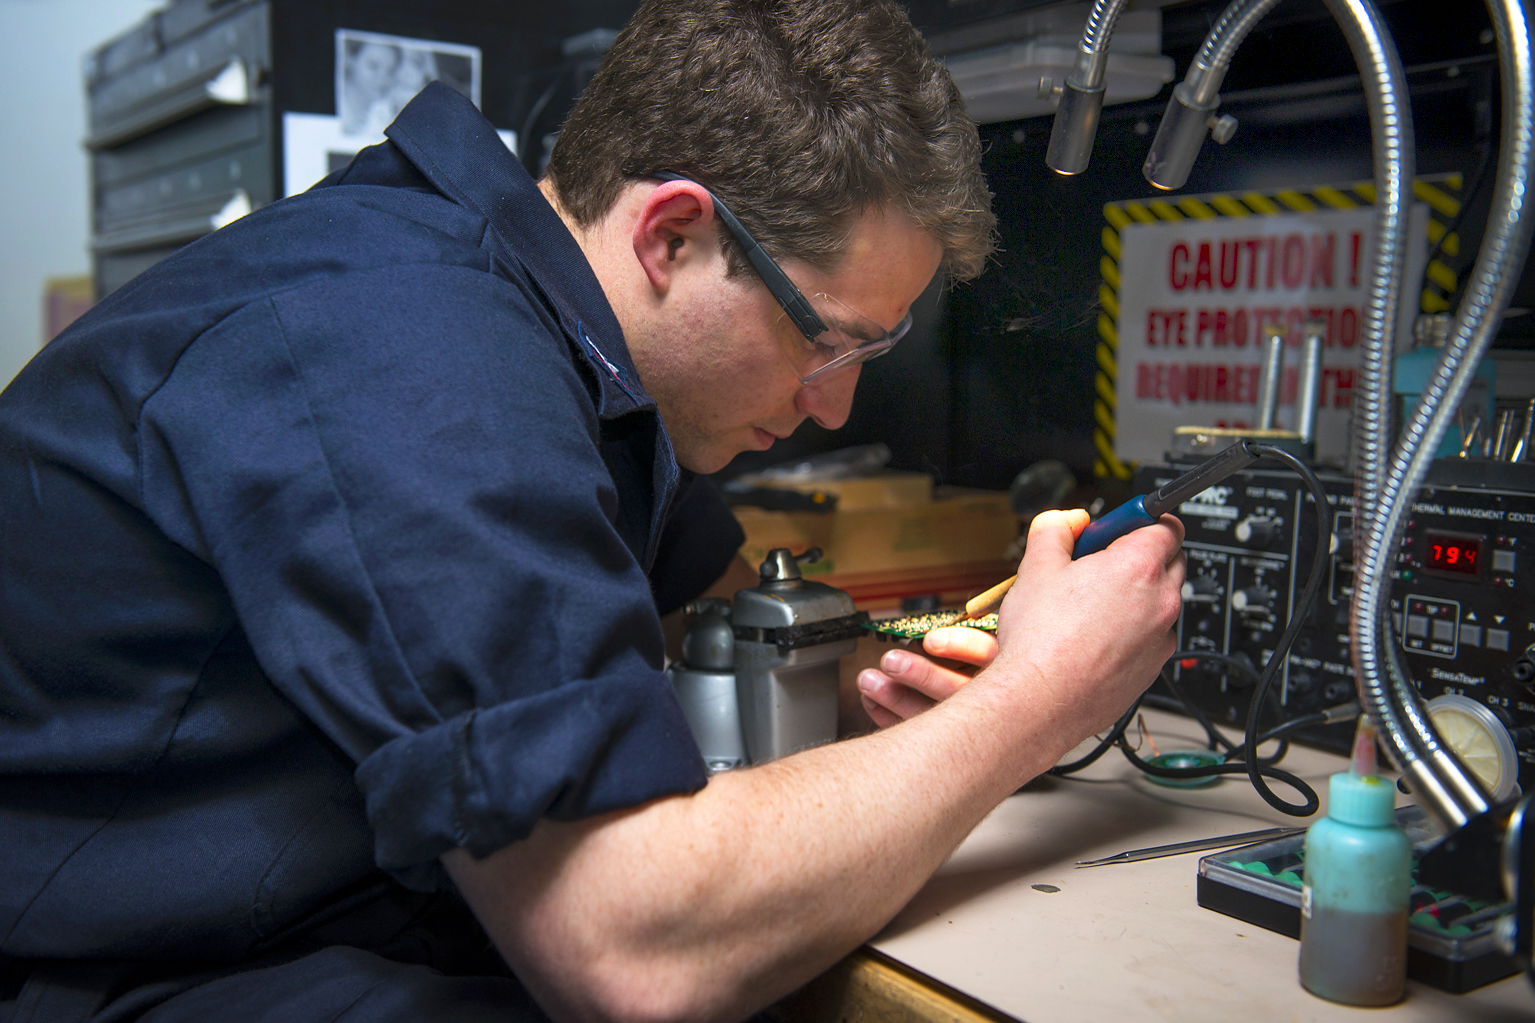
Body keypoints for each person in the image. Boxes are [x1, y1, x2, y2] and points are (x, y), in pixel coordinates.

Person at [0, 2, 1185, 1021]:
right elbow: (632, 953)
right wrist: (1037, 702)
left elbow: (698, 600)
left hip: (303, 921)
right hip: (127, 975)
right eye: (828, 342)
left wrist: (897, 676)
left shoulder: (553, 333)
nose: (836, 411)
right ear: (673, 234)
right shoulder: (410, 352)